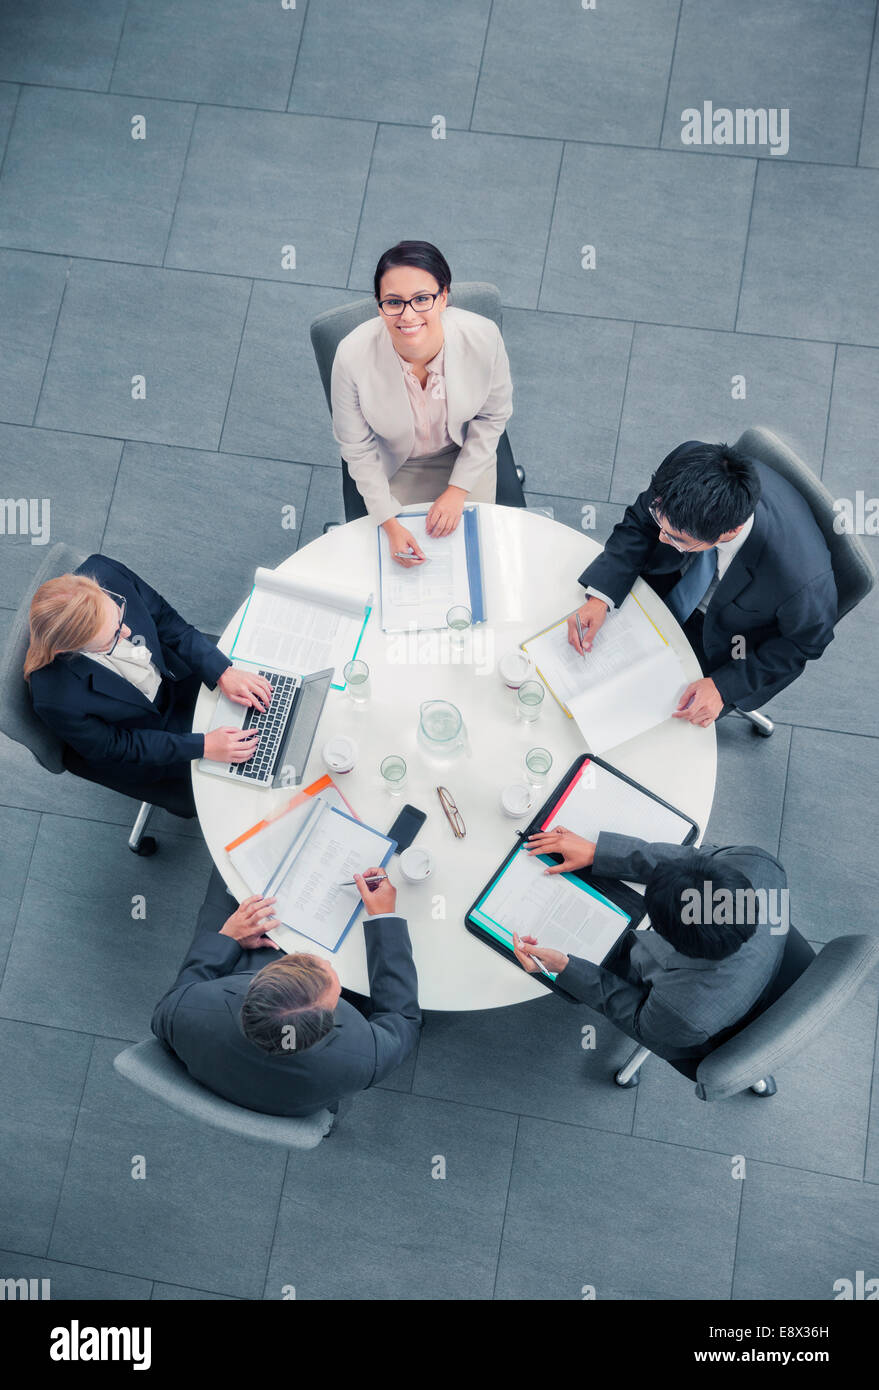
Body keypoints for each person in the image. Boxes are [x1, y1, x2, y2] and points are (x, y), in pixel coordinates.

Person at [567, 440, 837, 725]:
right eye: (662, 524)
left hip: (728, 641)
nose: (661, 537)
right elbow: (641, 522)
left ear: (730, 531)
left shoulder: (801, 583)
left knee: (635, 720)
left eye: (676, 538)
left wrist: (724, 685)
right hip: (667, 576)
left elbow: (802, 644)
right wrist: (601, 596)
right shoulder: (686, 460)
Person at [151, 865, 421, 1117]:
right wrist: (385, 916)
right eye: (330, 979)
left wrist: (229, 938)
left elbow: (176, 999)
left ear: (252, 982)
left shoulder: (183, 1010)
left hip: (219, 1057)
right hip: (292, 1094)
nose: (326, 962)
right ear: (332, 1020)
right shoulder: (362, 1059)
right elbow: (402, 1019)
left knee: (229, 874)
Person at [512, 827, 788, 1066]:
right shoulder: (759, 865)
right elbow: (694, 861)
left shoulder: (682, 1015)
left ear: (663, 934)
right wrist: (598, 852)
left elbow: (636, 1020)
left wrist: (565, 968)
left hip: (694, 1025)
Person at [25, 554, 270, 816]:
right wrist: (204, 746)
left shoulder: (106, 573)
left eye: (118, 614)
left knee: (264, 710)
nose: (128, 632)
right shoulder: (54, 696)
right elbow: (117, 747)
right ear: (70, 649)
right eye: (113, 637)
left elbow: (165, 620)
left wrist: (222, 672)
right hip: (142, 735)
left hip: (174, 676)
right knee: (235, 792)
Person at [331, 239, 513, 566]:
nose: (408, 315)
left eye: (422, 299)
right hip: (394, 464)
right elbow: (356, 447)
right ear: (379, 305)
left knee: (476, 560)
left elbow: (492, 418)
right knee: (397, 566)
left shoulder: (485, 338)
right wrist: (389, 522)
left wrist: (458, 490)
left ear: (444, 297)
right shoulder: (351, 355)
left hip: (464, 453)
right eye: (394, 302)